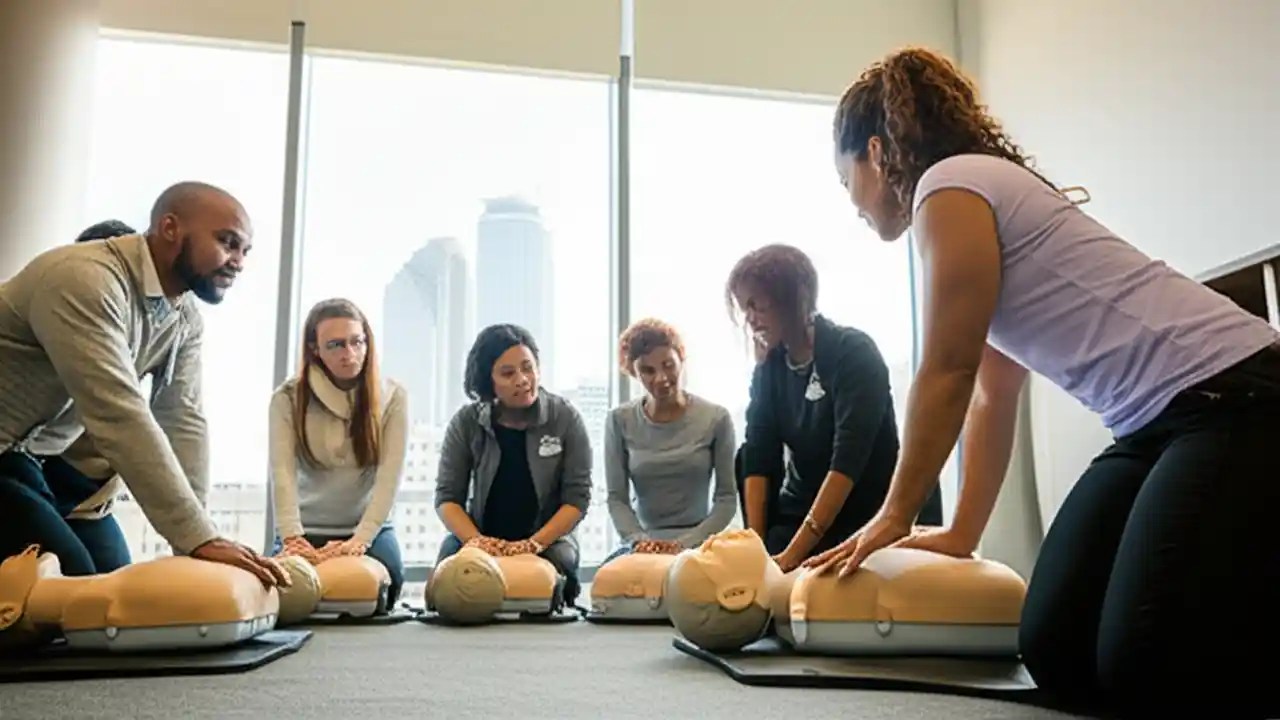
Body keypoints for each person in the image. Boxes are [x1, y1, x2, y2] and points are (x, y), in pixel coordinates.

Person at [805, 47, 1280, 717]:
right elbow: (994, 393)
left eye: (844, 177)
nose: (850, 202)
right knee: (1056, 650)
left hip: (1238, 396)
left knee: (1144, 661)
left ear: (877, 153)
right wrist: (961, 532)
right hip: (1151, 426)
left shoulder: (951, 184)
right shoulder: (972, 191)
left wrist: (894, 515)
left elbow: (946, 369)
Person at [0, 182, 287, 588]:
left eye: (245, 251)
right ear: (170, 228)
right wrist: (198, 536)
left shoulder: (185, 316)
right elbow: (119, 414)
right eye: (227, 242)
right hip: (9, 457)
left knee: (121, 601)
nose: (238, 261)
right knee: (74, 593)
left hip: (32, 461)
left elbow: (183, 418)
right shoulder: (83, 279)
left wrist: (196, 542)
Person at [729, 243, 942, 573]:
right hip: (804, 507)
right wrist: (757, 550)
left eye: (757, 305)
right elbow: (758, 455)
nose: (750, 319)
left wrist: (792, 557)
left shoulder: (853, 352)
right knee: (745, 457)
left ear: (791, 300)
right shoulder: (769, 369)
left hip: (870, 509)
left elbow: (848, 462)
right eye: (745, 309)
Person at [14, 220, 144, 574]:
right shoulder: (56, 313)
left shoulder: (136, 334)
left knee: (116, 591)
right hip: (28, 472)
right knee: (72, 584)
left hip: (87, 496)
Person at [434, 323, 592, 606]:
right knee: (447, 573)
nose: (522, 379)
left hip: (547, 541)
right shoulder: (466, 423)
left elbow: (577, 499)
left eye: (528, 368)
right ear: (487, 381)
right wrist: (478, 542)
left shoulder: (565, 417)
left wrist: (533, 545)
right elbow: (447, 498)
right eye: (508, 373)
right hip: (480, 536)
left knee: (556, 570)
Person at [269, 298, 409, 607]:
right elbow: (282, 474)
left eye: (356, 342)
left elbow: (389, 479)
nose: (349, 354)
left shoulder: (393, 396)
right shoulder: (288, 398)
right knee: (282, 596)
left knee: (387, 585)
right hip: (306, 527)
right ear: (314, 349)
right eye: (335, 345)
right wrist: (293, 538)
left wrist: (360, 541)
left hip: (366, 527)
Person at [602, 318, 737, 563]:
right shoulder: (619, 421)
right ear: (634, 372)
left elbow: (726, 499)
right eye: (648, 370)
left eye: (668, 365)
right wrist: (638, 540)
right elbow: (617, 498)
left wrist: (683, 544)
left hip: (700, 541)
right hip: (642, 545)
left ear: (681, 360)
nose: (661, 378)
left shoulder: (716, 418)